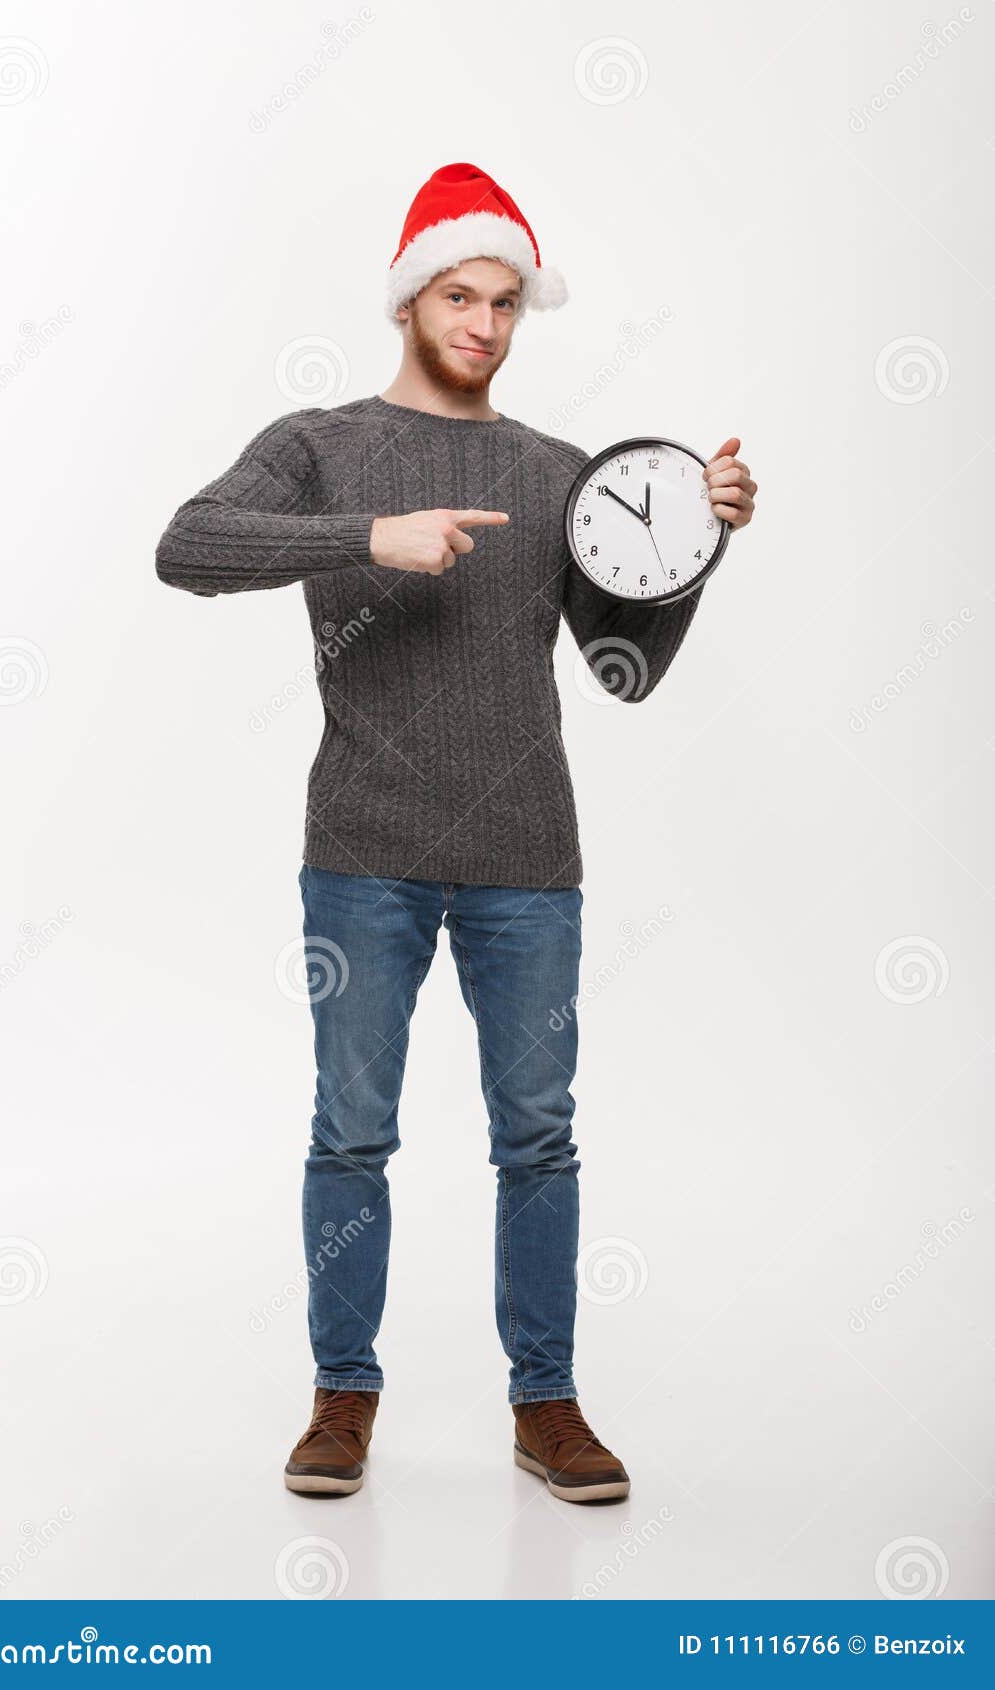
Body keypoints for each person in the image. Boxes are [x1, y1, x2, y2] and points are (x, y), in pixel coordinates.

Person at [154, 161, 758, 1504]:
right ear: (411, 298)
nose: (482, 323)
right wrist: (373, 534)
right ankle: (341, 1396)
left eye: (503, 303)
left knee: (537, 1132)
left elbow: (625, 663)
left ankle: (546, 1402)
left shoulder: (557, 473)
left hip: (529, 860)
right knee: (352, 1131)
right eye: (457, 294)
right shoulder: (322, 442)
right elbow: (186, 543)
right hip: (363, 845)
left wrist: (698, 549)